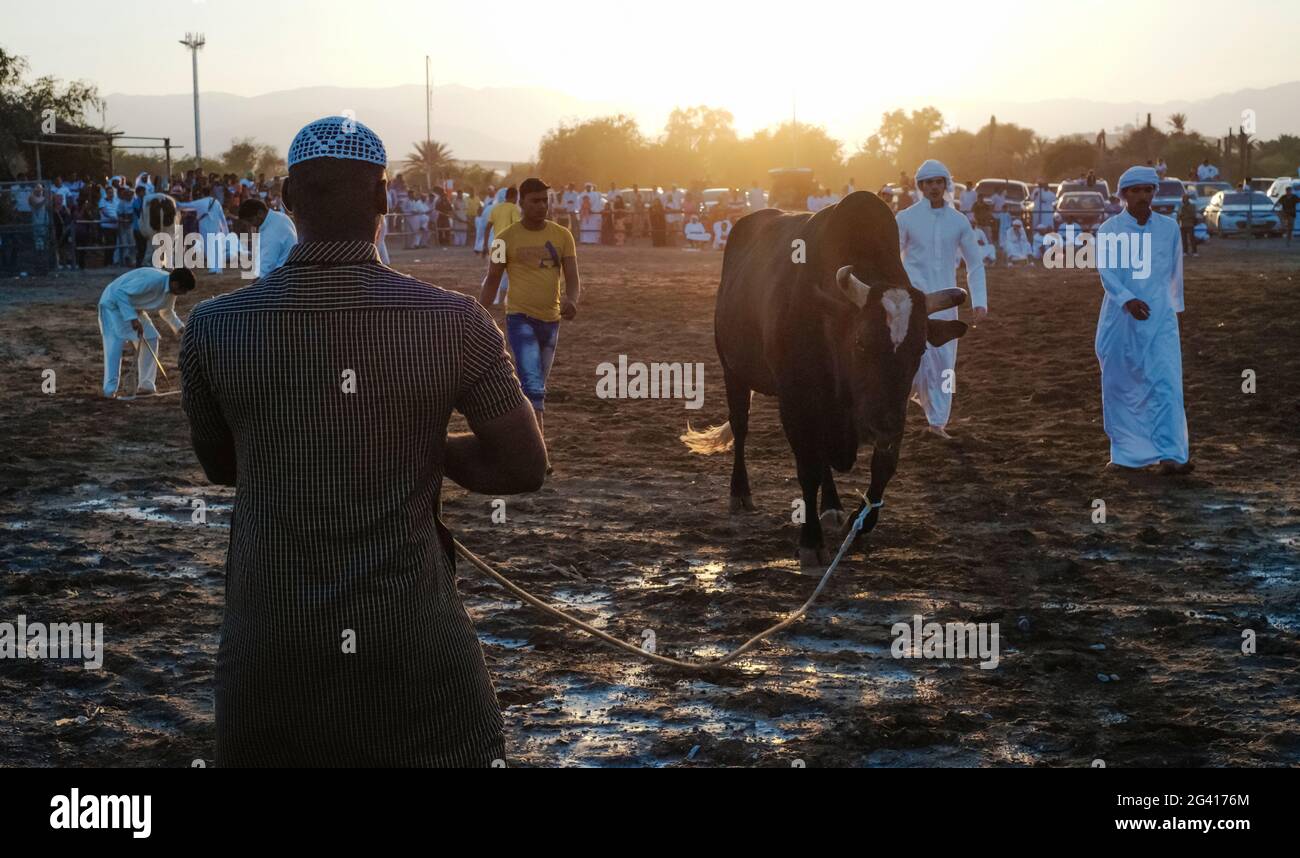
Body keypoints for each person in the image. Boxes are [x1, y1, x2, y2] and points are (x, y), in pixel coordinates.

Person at [180, 116, 546, 767]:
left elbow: (221, 467)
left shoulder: (214, 328)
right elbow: (523, 466)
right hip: (410, 636)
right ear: (384, 199)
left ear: (288, 201)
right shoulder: (454, 322)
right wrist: (414, 442)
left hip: (271, 638)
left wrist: (326, 436)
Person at [1095, 165, 1190, 475]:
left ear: (1154, 193)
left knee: (1166, 384)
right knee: (1121, 385)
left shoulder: (1169, 228)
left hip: (1160, 319)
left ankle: (1172, 454)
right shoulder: (1110, 229)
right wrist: (1127, 300)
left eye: (1147, 190)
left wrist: (1173, 309)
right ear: (1124, 195)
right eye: (1135, 191)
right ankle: (1125, 456)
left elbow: (1175, 273)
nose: (1142, 196)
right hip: (1121, 320)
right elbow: (1107, 273)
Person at [478, 176, 579, 457]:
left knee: (534, 384)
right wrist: (478, 313)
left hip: (551, 320)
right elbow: (492, 279)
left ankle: (518, 438)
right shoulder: (503, 239)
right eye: (535, 201)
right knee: (533, 385)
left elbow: (572, 277)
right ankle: (538, 454)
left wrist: (572, 299)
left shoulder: (563, 235)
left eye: (545, 201)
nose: (541, 206)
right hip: (519, 318)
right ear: (521, 202)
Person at [896, 159, 988, 440]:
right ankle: (893, 413)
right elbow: (892, 259)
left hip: (946, 303)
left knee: (945, 364)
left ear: (946, 185)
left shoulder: (959, 221)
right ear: (920, 186)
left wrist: (980, 300)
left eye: (939, 182)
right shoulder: (905, 218)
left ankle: (937, 423)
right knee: (904, 359)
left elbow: (975, 263)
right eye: (928, 183)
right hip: (912, 302)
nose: (934, 187)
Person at [98, 266, 195, 397]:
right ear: (176, 283)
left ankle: (146, 385)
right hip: (112, 305)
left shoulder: (171, 291)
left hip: (134, 308)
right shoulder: (153, 280)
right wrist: (132, 318)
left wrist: (180, 328)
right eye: (183, 290)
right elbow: (120, 292)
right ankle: (109, 390)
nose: (183, 294)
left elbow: (167, 311)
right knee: (114, 345)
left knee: (151, 337)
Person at [237, 198, 298, 278]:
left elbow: (266, 267)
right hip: (289, 271)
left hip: (281, 278)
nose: (250, 224)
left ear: (260, 213)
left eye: (250, 220)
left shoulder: (272, 231)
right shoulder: (280, 217)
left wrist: (254, 285)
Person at [178, 186, 230, 274]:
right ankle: (218, 269)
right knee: (217, 248)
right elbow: (223, 218)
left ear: (202, 194)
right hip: (216, 228)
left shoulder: (200, 202)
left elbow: (186, 206)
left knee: (208, 248)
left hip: (204, 228)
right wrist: (226, 232)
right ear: (211, 193)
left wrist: (175, 203)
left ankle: (213, 268)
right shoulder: (217, 202)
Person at [1177, 191, 1199, 256]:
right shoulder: (1181, 206)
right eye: (1183, 198)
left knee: (1192, 239)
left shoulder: (1192, 206)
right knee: (1184, 240)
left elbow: (1193, 215)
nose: (1184, 200)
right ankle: (1185, 251)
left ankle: (1194, 252)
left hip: (1190, 224)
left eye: (1185, 198)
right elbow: (1179, 215)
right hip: (1183, 225)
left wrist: (1184, 214)